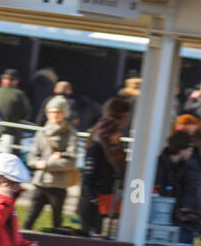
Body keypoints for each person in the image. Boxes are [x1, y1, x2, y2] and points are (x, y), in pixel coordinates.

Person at [78, 97, 131, 237]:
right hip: (95, 202)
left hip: (105, 200)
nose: (120, 135)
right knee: (92, 237)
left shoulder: (111, 148)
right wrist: (95, 199)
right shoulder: (98, 148)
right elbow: (88, 179)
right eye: (117, 132)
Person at [24, 96, 77, 231]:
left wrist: (47, 164)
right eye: (51, 112)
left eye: (57, 112)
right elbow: (31, 157)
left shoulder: (70, 133)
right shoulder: (41, 132)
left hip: (58, 184)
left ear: (64, 113)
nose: (53, 115)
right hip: (40, 182)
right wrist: (38, 163)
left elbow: (71, 162)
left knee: (57, 222)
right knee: (29, 220)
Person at [156, 130, 201, 245]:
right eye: (190, 150)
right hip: (160, 222)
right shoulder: (158, 166)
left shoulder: (186, 168)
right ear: (182, 151)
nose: (191, 153)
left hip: (177, 223)